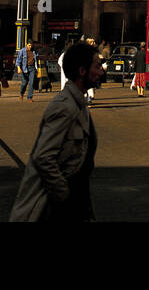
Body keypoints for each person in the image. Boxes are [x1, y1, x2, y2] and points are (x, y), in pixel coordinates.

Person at [10, 41, 104, 221]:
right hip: (54, 209)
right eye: (97, 67)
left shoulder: (79, 104)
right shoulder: (64, 107)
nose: (101, 72)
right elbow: (43, 157)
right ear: (82, 71)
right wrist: (65, 194)